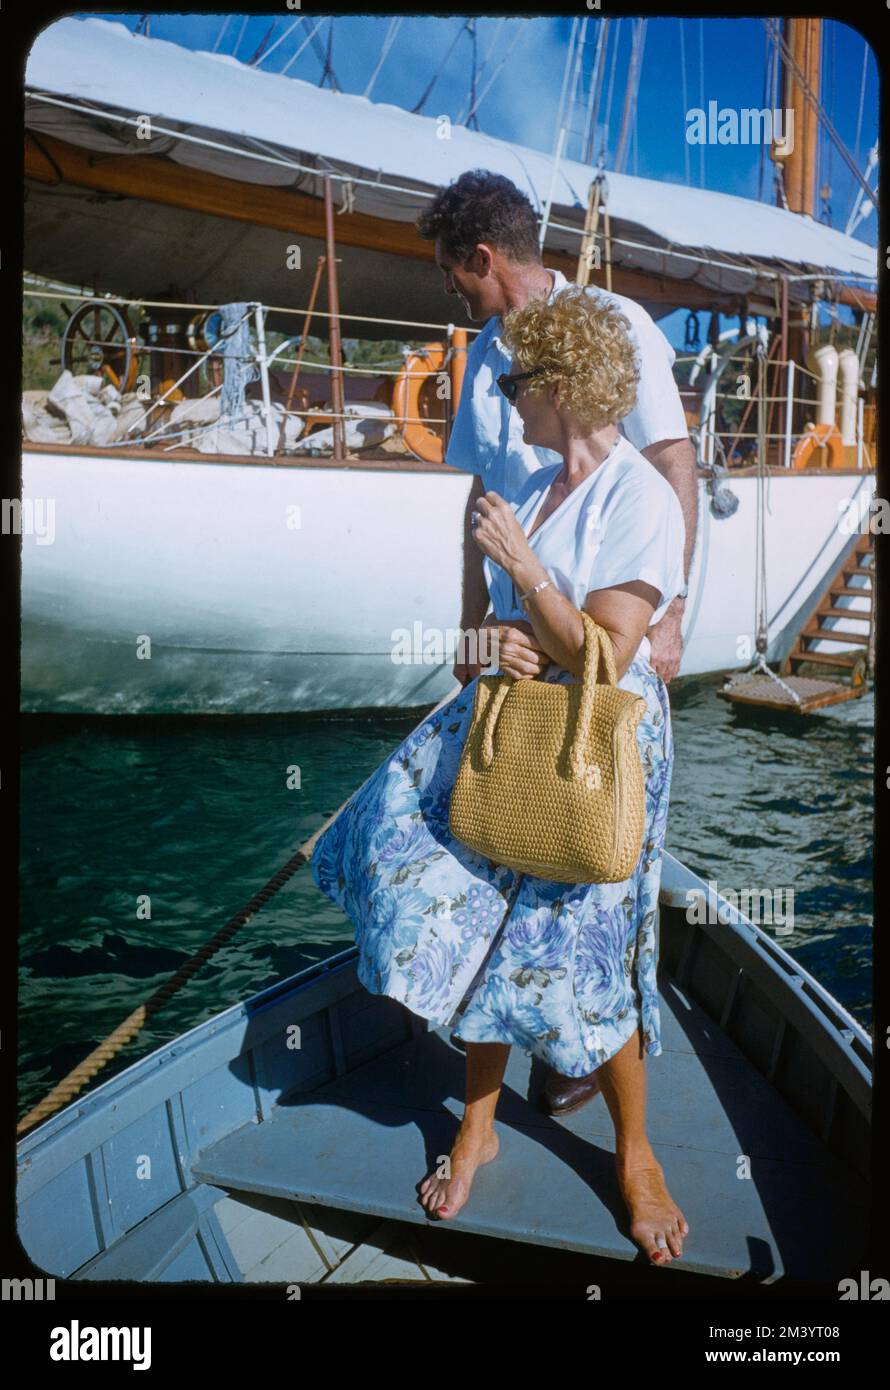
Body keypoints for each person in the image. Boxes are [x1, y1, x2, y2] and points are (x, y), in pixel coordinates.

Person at [311, 286, 689, 1265]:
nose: (504, 398)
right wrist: (496, 643)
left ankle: (635, 1156)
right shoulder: (523, 487)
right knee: (471, 917)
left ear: (559, 385)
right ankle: (475, 1125)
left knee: (588, 946)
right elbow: (472, 647)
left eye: (516, 381)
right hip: (511, 727)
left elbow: (605, 649)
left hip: (597, 747)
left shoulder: (639, 498)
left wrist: (526, 577)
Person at [416, 167, 698, 1123]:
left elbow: (666, 460)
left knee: (587, 901)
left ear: (482, 258)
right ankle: (487, 1111)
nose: (454, 294)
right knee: (491, 881)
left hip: (595, 685)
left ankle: (612, 1111)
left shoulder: (609, 333)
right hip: (523, 674)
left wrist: (667, 613)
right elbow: (480, 510)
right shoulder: (508, 410)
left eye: (455, 276)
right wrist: (481, 630)